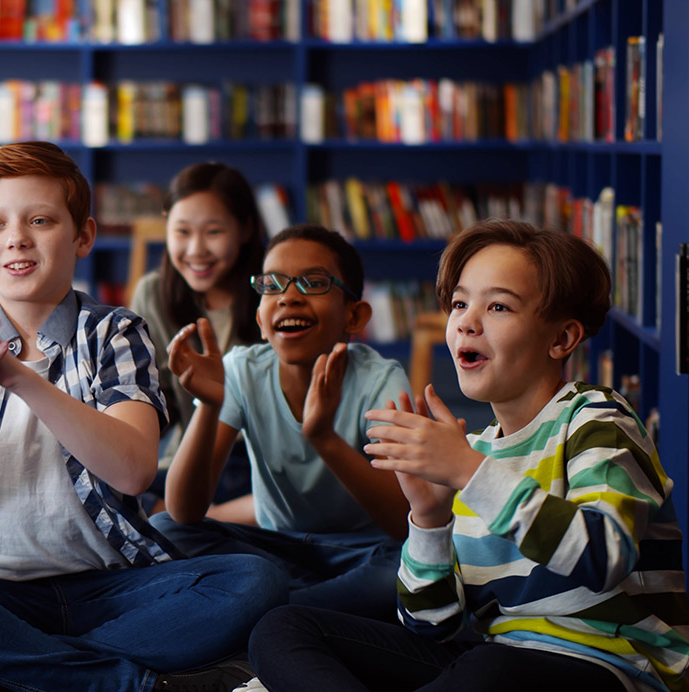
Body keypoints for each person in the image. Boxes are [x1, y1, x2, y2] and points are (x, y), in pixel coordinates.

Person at [0, 140, 287, 692]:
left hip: (106, 590)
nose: (16, 237)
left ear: (82, 236)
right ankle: (123, 685)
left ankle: (7, 669)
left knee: (256, 582)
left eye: (40, 220)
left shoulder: (115, 333)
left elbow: (135, 469)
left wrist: (20, 378)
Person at [248, 219, 689, 692]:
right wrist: (429, 519)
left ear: (561, 339)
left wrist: (469, 471)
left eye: (498, 305)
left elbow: (604, 556)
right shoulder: (475, 450)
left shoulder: (598, 420)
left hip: (611, 667)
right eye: (460, 303)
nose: (466, 321)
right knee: (283, 628)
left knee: (489, 669)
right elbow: (431, 624)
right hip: (496, 658)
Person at [149, 223, 412, 620]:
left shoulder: (380, 380)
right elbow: (185, 512)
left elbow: (402, 524)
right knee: (167, 529)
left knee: (410, 569)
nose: (289, 298)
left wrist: (324, 438)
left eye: (315, 283)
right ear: (259, 317)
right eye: (272, 285)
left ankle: (268, 608)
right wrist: (207, 404)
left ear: (353, 315)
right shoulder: (242, 371)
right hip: (275, 548)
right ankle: (303, 610)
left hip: (363, 551)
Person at [129, 161, 265, 521]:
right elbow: (156, 401)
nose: (196, 250)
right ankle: (201, 520)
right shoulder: (153, 294)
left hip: (259, 463)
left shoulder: (275, 295)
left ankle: (199, 522)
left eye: (214, 232)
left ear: (246, 228)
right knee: (97, 484)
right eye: (182, 231)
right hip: (190, 458)